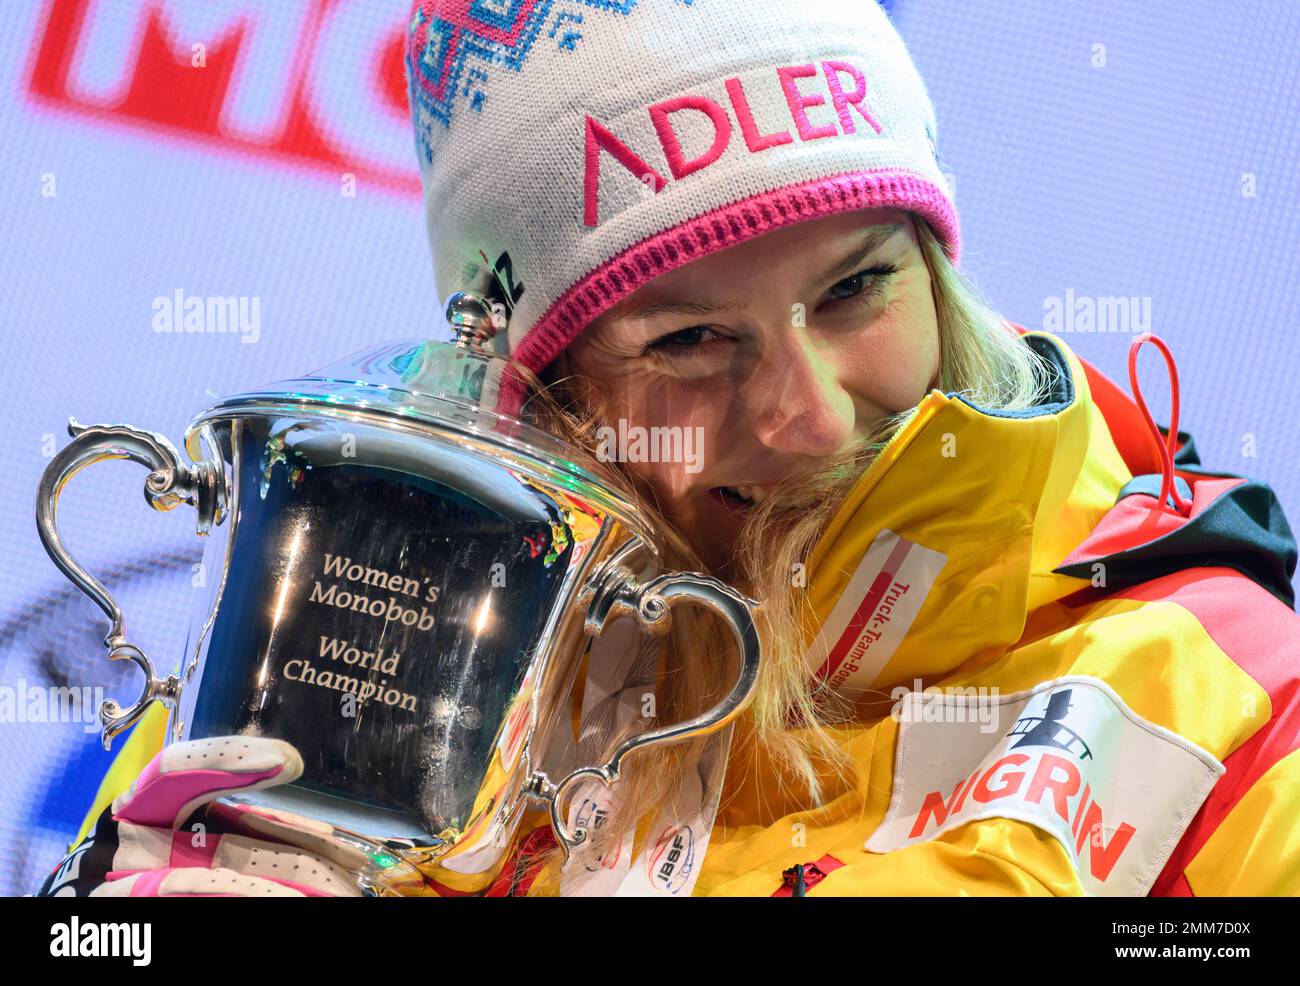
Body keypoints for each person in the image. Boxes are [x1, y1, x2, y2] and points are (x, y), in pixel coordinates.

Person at [38, 0, 1299, 897]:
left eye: (856, 288)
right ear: (554, 386)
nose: (807, 413)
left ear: (937, 273)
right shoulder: (345, 653)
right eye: (691, 339)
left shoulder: (1224, 699)